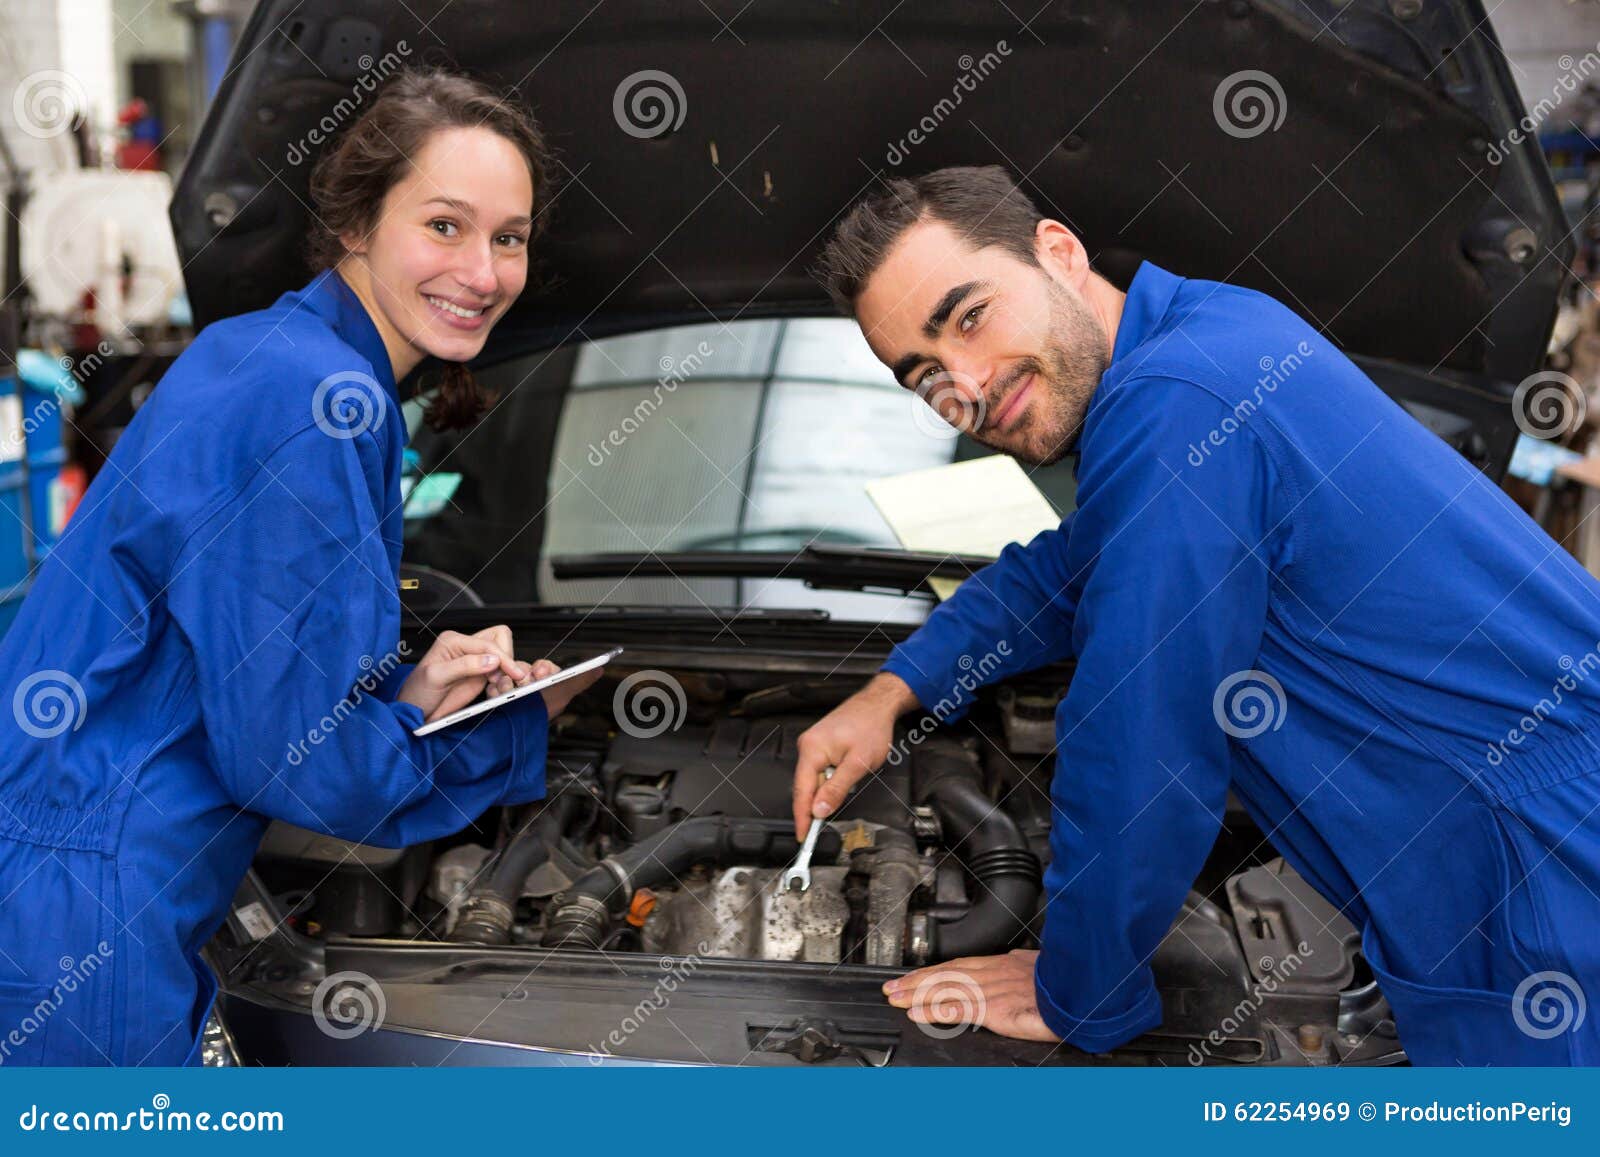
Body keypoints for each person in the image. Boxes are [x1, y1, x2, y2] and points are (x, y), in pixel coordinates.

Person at [792, 165, 1600, 1065]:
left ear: (1056, 252)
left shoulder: (1179, 401)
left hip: (1545, 871)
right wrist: (897, 685)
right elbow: (1073, 567)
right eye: (926, 374)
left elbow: (1140, 732)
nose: (967, 385)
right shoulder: (1203, 334)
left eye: (971, 315)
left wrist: (1076, 988)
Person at [0, 69, 600, 1065]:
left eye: (509, 236)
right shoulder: (310, 402)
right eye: (445, 225)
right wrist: (510, 731)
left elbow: (233, 663)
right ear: (357, 222)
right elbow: (292, 763)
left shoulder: (273, 353)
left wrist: (409, 696)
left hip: (67, 870)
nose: (484, 270)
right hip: (81, 908)